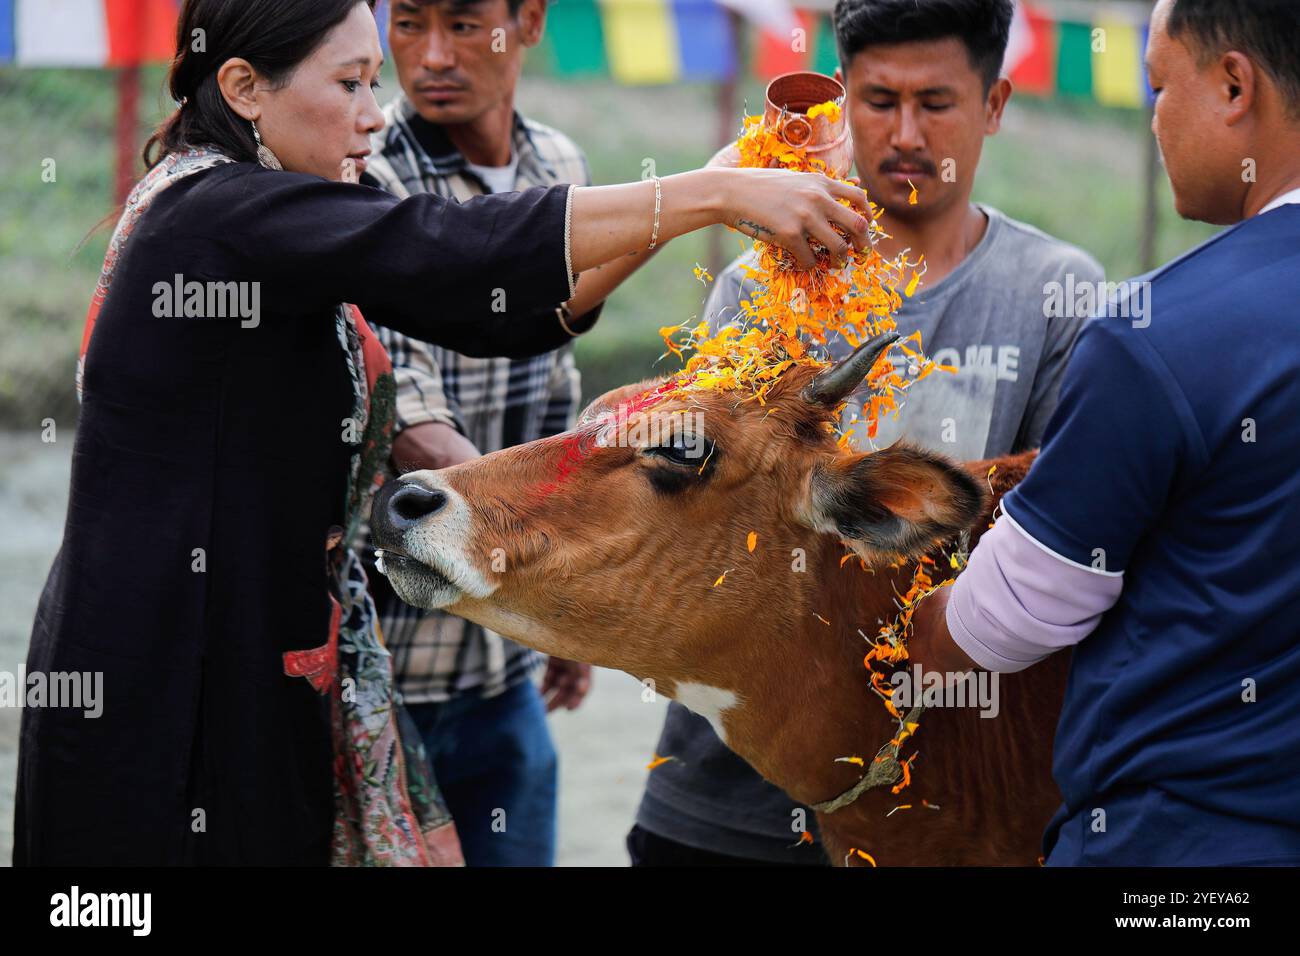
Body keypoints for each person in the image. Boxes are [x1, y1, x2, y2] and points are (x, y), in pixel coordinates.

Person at [12, 0, 873, 866]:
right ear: (243, 88)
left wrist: (717, 177)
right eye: (349, 84)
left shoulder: (280, 217)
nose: (370, 113)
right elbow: (449, 245)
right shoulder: (211, 214)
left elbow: (497, 310)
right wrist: (714, 193)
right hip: (172, 683)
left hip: (261, 660)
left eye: (370, 83)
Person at [630, 0, 1104, 867]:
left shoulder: (1057, 295)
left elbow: (1049, 541)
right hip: (734, 789)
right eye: (879, 101)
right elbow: (700, 526)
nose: (907, 132)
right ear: (841, 101)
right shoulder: (761, 288)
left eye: (937, 102)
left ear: (994, 104)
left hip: (947, 784)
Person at [911, 0, 1300, 866]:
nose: (1154, 120)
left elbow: (1010, 615)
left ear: (1236, 85)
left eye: (1160, 87)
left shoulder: (1156, 333)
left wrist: (903, 625)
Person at [360, 0, 649, 867]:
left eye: (462, 23)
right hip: (382, 672)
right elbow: (409, 419)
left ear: (527, 21)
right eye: (407, 24)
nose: (433, 55)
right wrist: (542, 575)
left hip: (499, 670)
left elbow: (554, 390)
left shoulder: (559, 168)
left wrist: (562, 612)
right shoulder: (366, 168)